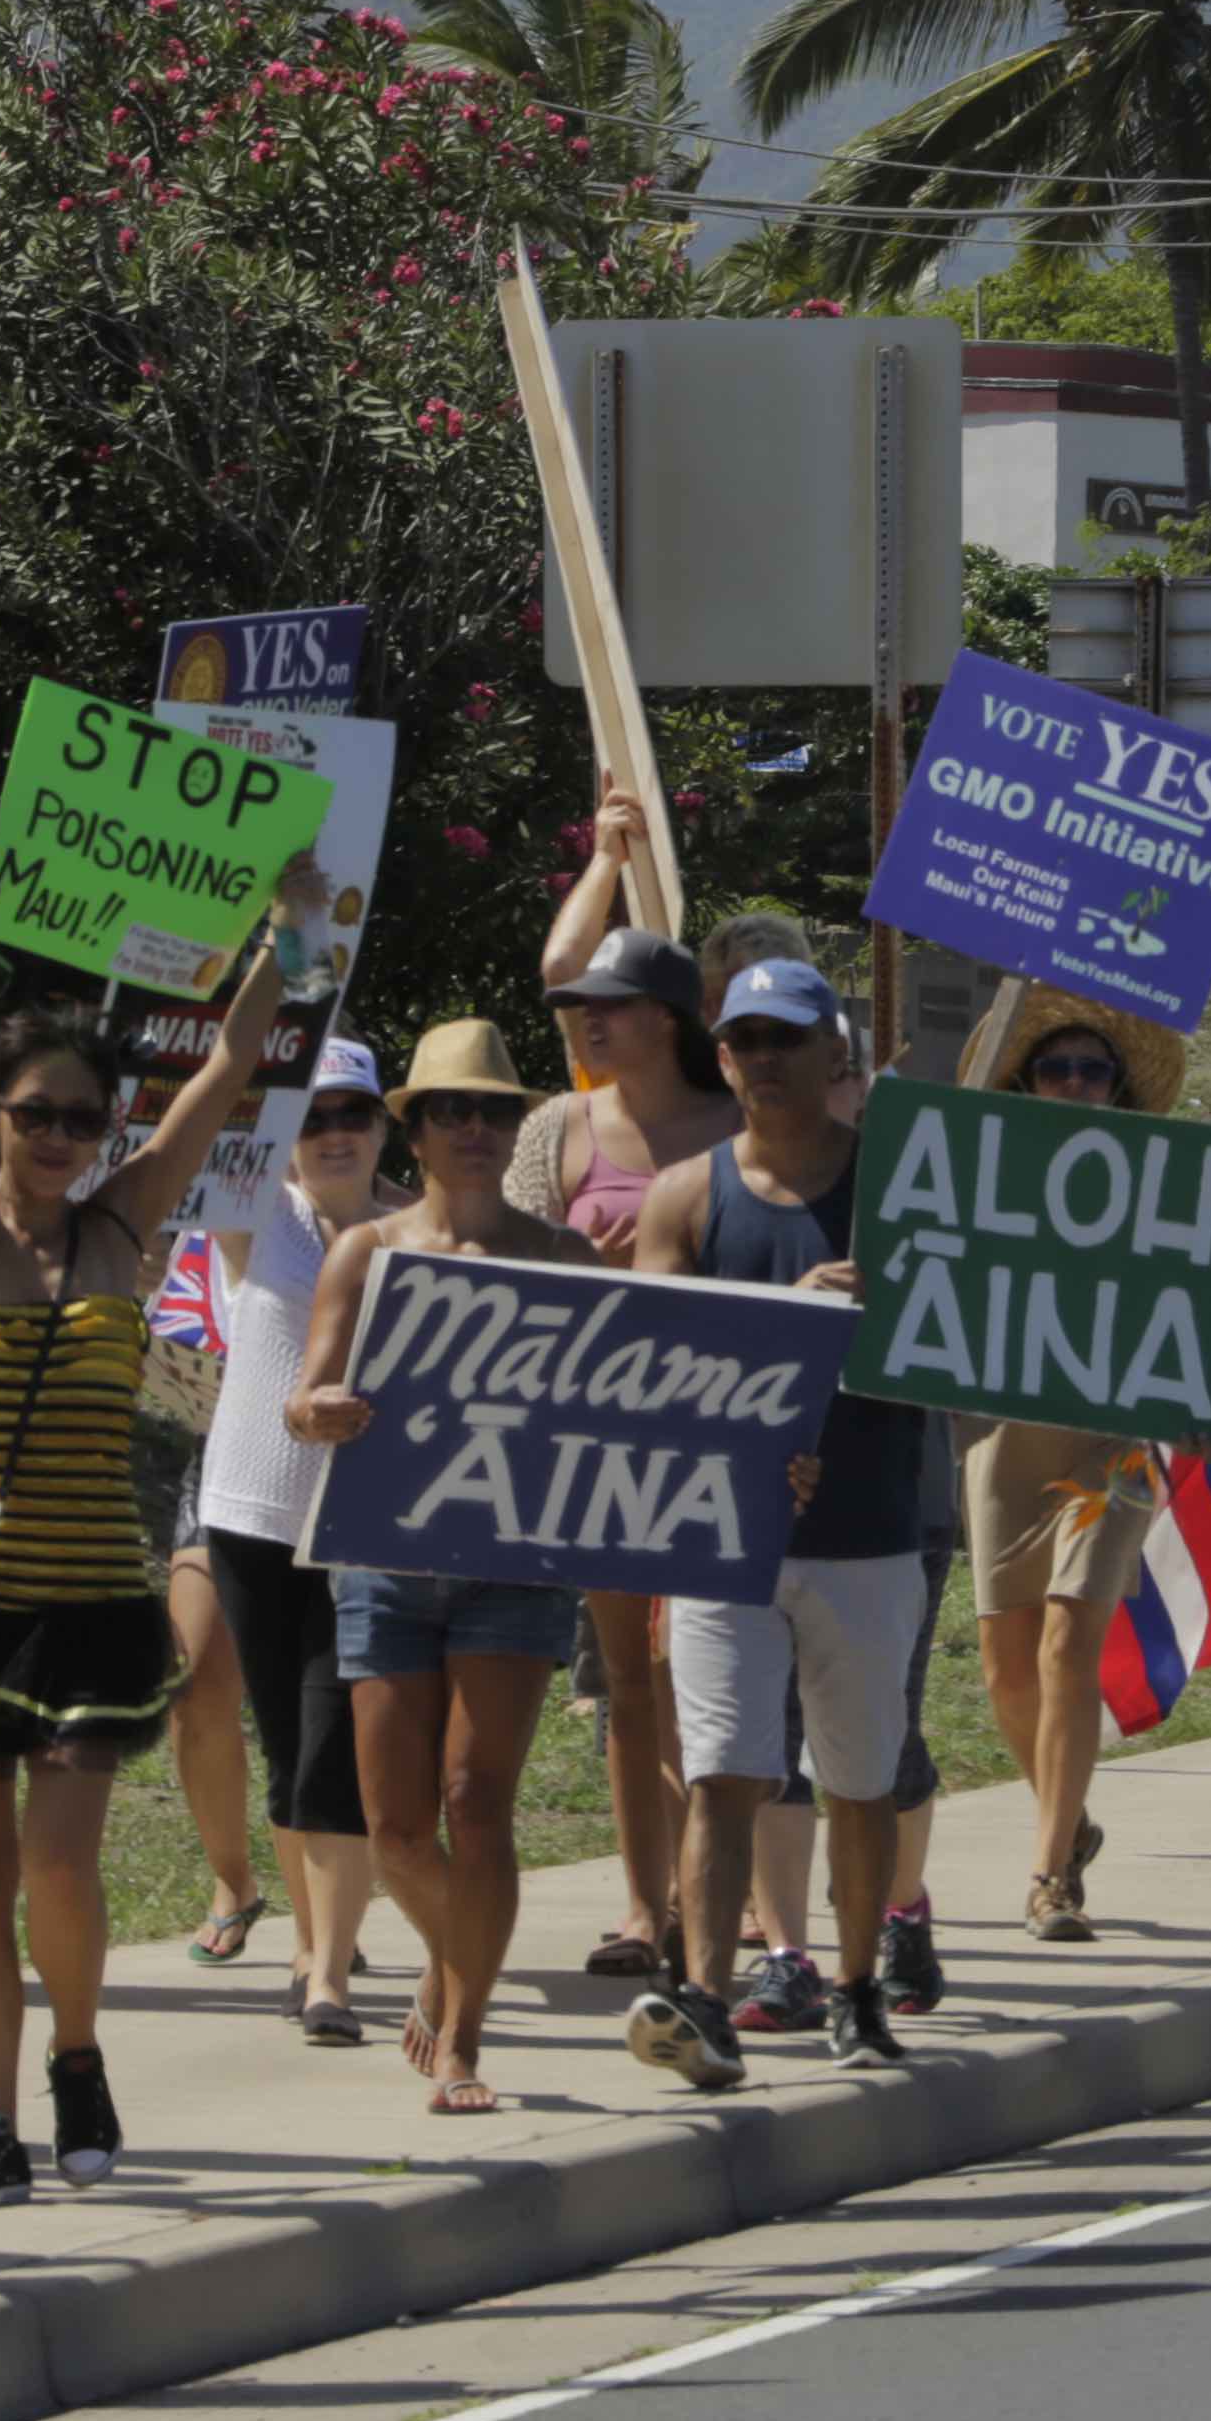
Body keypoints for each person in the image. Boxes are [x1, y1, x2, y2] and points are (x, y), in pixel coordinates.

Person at [0, 848, 297, 2205]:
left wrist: (284, 925)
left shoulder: (128, 1224)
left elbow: (230, 1066)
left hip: (91, 1605)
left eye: (83, 1118)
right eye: (37, 1114)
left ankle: (76, 2058)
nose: (61, 1136)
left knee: (60, 1860)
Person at [620, 962, 928, 2083]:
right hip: (727, 1533)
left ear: (833, 1053)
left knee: (859, 1779)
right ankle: (703, 1996)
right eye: (744, 1041)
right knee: (724, 1774)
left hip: (869, 1526)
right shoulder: (687, 1196)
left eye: (785, 1040)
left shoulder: (900, 1188)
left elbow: (977, 1328)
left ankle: (855, 1988)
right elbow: (650, 1362)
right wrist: (772, 1325)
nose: (763, 1062)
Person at [287, 1021, 581, 2118]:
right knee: (398, 1831)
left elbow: (651, 1406)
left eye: (495, 1110)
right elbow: (302, 1395)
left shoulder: (562, 1259)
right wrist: (317, 1408)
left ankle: (463, 2035)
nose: (474, 1127)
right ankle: (452, 1957)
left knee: (476, 1799)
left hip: (514, 1563)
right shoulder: (367, 1252)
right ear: (411, 1127)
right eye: (451, 1110)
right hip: (385, 1560)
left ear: (516, 1129)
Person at [509, 794, 732, 1980]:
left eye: (608, 1010)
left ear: (667, 1019)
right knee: (626, 1687)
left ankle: (726, 1889)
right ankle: (647, 1907)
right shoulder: (558, 1128)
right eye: (578, 1012)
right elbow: (512, 1278)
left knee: (713, 1676)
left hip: (713, 1439)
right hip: (595, 1441)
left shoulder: (740, 1123)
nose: (586, 1022)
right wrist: (601, 855)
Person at [167, 1037, 383, 2041]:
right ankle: (308, 1942)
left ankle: (329, 1974)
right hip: (251, 1517)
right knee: (290, 1743)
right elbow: (197, 1129)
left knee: (335, 1745)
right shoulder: (257, 1215)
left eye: (354, 1113)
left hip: (365, 1528)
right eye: (313, 1115)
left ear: (384, 1124)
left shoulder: (415, 1228)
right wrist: (262, 1019)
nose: (334, 1133)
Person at [954, 987, 1181, 1930]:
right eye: (1058, 1068)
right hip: (1003, 1429)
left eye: (1095, 1070)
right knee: (1006, 1664)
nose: (1078, 1083)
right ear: (1028, 1081)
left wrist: (1204, 1400)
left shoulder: (1164, 1179)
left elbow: (1203, 1300)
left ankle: (1051, 1877)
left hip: (1115, 1438)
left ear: (1117, 1087)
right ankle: (1068, 1813)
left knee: (1066, 1636)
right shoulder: (982, 1174)